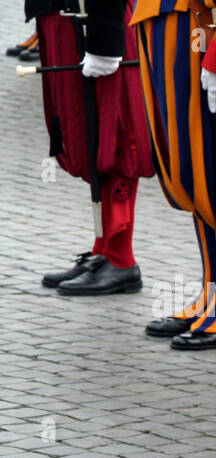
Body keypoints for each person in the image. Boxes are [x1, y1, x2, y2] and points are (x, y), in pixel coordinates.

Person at [133, 0, 216, 350]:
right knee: (191, 167)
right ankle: (211, 292)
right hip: (160, 15)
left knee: (214, 166)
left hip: (199, 18)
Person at [29, 0, 153, 296]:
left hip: (94, 13)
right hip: (62, 13)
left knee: (115, 134)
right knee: (86, 136)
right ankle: (103, 248)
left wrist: (106, 37)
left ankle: (121, 257)